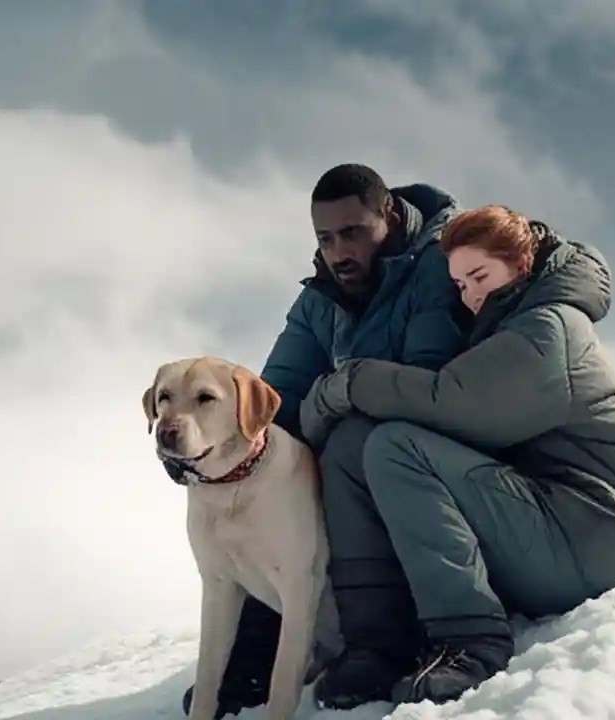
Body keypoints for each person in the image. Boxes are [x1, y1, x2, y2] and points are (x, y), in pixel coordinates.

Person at [298, 204, 615, 707]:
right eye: (460, 284)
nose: (469, 295)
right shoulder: (502, 322)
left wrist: (350, 382)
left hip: (597, 529)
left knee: (398, 447)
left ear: (521, 262)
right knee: (356, 443)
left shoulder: (548, 328)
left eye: (479, 276)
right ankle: (377, 642)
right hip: (546, 516)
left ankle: (471, 641)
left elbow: (454, 402)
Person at [176, 163, 470, 718]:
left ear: (387, 216)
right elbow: (268, 406)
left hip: (427, 459)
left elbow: (430, 384)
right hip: (360, 450)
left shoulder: (435, 269)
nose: (338, 252)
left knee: (351, 449)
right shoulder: (320, 299)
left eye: (352, 233)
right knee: (275, 483)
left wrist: (338, 397)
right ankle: (258, 654)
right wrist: (211, 450)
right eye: (325, 238)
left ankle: (377, 646)